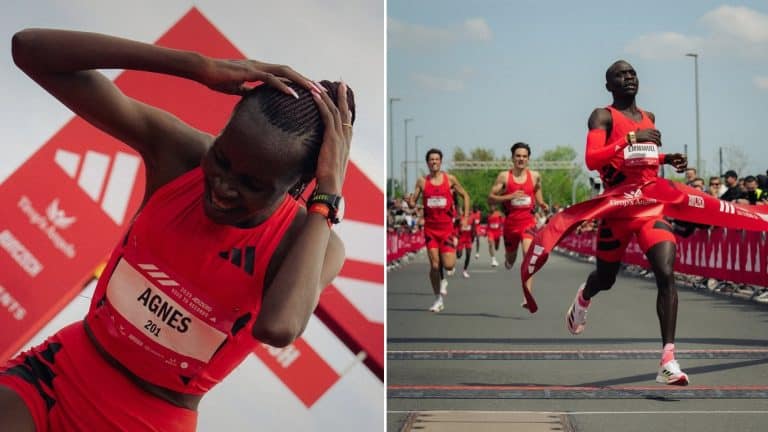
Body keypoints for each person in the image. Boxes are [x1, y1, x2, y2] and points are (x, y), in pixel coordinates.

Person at [1, 28, 354, 431]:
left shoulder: (312, 237)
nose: (223, 186)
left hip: (148, 421)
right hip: (56, 375)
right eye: (221, 158)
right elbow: (28, 50)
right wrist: (195, 66)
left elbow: (279, 326)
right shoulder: (180, 154)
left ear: (297, 184)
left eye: (253, 185)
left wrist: (327, 195)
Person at [408, 148, 470, 312]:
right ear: (427, 163)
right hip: (430, 230)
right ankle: (438, 299)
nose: (434, 162)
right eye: (431, 160)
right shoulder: (422, 181)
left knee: (449, 265)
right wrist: (410, 202)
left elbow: (465, 196)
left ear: (440, 161)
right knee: (435, 266)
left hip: (447, 230)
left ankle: (446, 269)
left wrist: (465, 217)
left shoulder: (449, 179)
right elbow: (413, 203)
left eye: (437, 159)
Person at [488, 142, 548, 307]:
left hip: (528, 223)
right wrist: (509, 196)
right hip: (510, 225)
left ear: (528, 159)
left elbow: (537, 190)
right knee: (511, 259)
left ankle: (527, 296)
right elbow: (491, 198)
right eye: (518, 156)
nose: (521, 159)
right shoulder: (504, 177)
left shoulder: (535, 176)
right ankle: (508, 260)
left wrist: (542, 203)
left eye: (524, 156)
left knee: (528, 257)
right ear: (512, 158)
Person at [486, 202, 504, 267]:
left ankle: (496, 247)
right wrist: (486, 232)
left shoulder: (499, 214)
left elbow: (503, 222)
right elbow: (488, 224)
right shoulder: (488, 215)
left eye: (493, 206)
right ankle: (493, 260)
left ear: (495, 207)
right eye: (490, 207)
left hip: (497, 232)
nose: (491, 208)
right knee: (490, 244)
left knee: (496, 247)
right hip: (490, 232)